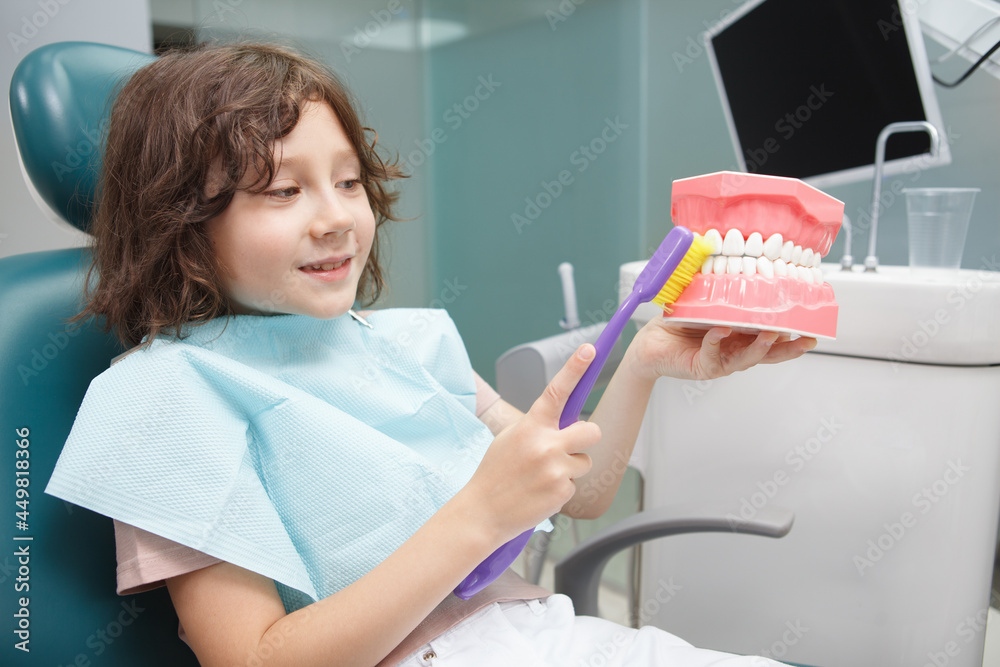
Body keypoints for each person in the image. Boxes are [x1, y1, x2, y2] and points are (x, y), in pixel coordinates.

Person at [45, 42, 814, 667]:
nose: (338, 218)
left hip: (547, 637)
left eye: (350, 182)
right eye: (283, 191)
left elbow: (575, 493)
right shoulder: (165, 394)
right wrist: (479, 513)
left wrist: (645, 361)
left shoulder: (405, 342)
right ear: (180, 221)